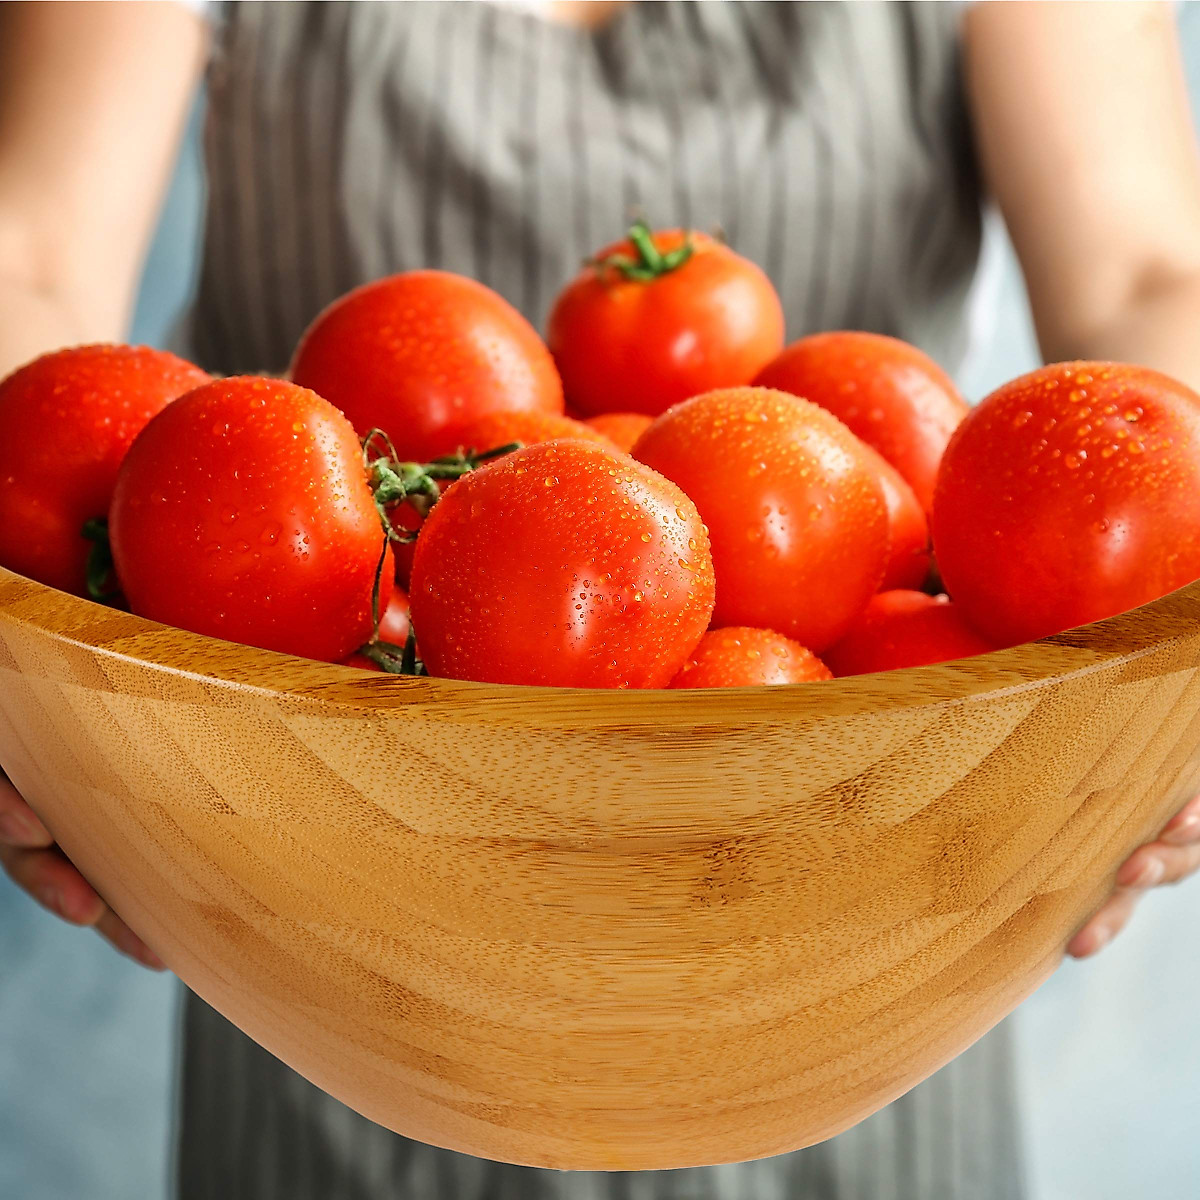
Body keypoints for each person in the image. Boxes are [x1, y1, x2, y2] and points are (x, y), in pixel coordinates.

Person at [1, 2, 1199, 1197]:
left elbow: (1150, 274)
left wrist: (1167, 648)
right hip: (322, 898)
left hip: (873, 896)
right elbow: (33, 257)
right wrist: (26, 649)